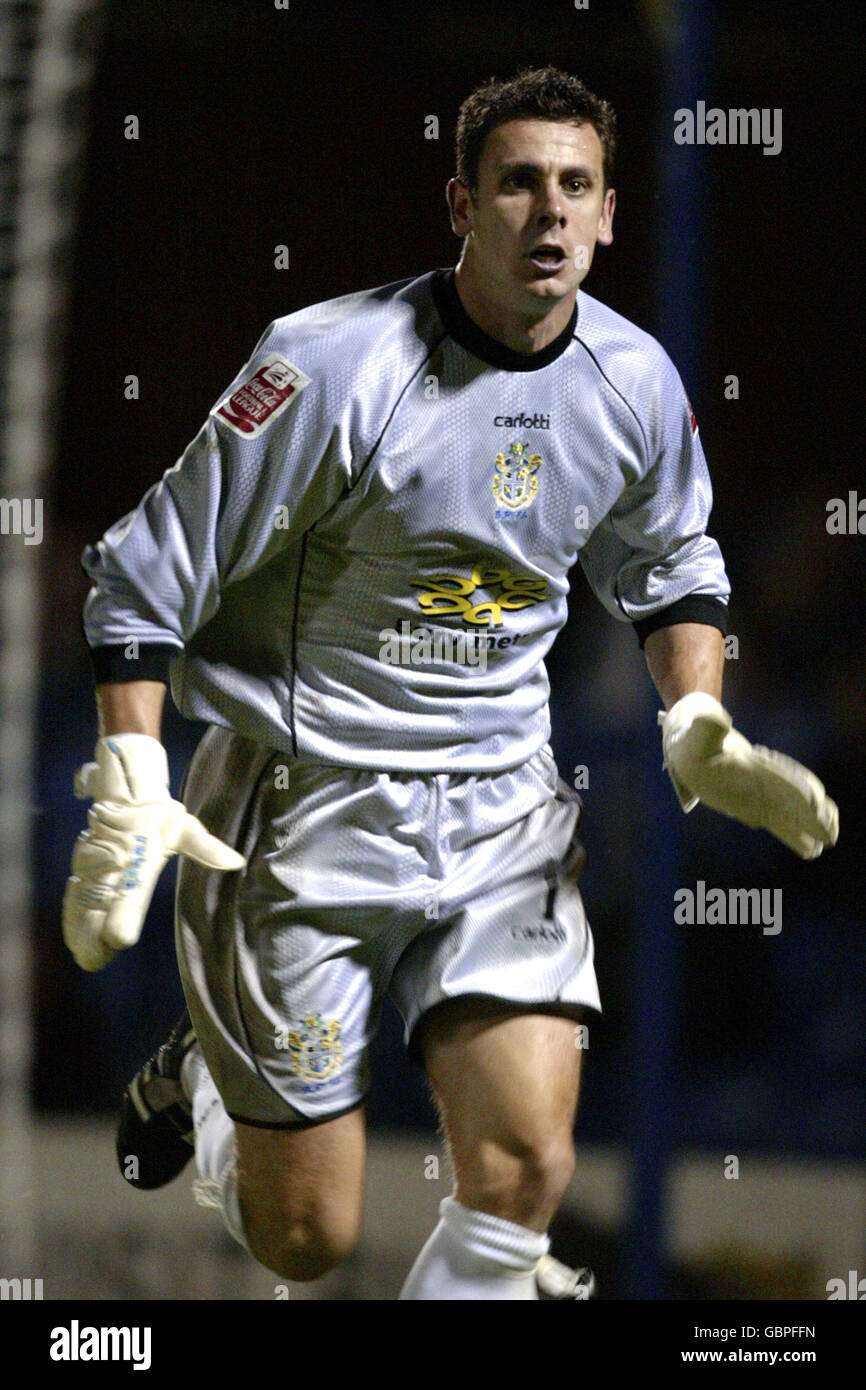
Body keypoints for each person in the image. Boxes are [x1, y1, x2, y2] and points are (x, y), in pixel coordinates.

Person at [63, 66, 838, 1301]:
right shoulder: (326, 365)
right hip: (304, 801)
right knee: (305, 1239)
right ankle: (211, 1072)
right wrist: (132, 780)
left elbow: (674, 559)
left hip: (499, 809)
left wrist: (695, 717)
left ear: (607, 216)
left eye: (572, 186)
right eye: (518, 183)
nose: (547, 211)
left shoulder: (631, 380)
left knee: (524, 1169)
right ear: (460, 203)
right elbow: (140, 576)